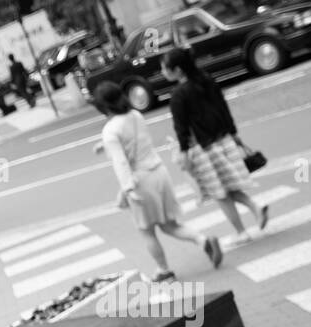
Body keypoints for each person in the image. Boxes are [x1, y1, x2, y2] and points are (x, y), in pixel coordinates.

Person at [95, 81, 222, 280]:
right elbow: (131, 140)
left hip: (140, 181)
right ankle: (203, 240)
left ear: (102, 106)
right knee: (169, 225)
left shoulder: (110, 130)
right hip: (159, 172)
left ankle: (164, 270)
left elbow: (121, 162)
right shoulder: (135, 115)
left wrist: (128, 190)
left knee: (147, 231)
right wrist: (104, 145)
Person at [163, 47, 268, 244]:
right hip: (225, 139)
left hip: (204, 149)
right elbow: (223, 107)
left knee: (219, 193)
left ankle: (241, 232)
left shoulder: (179, 95)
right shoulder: (206, 80)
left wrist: (184, 153)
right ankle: (255, 206)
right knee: (227, 186)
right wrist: (233, 133)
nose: (163, 72)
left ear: (177, 70)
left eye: (165, 68)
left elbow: (181, 128)